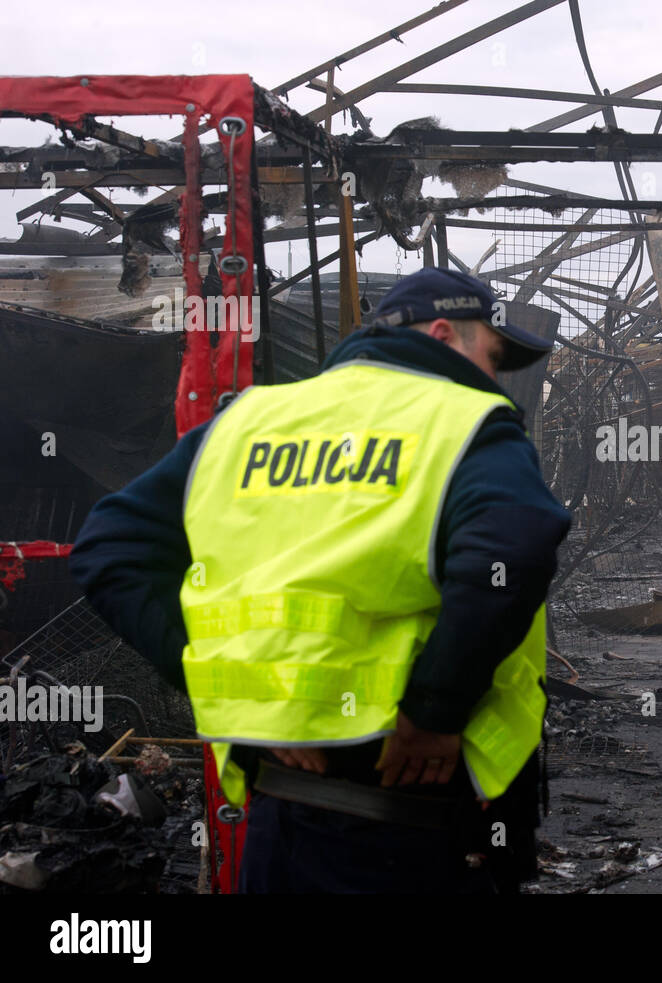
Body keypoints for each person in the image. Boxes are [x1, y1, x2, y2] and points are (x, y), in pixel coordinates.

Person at [71, 268, 571, 894]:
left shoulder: (245, 424)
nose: (494, 377)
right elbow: (516, 550)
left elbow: (107, 549)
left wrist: (237, 698)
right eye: (493, 356)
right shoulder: (467, 423)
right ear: (445, 334)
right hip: (410, 816)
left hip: (281, 813)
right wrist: (435, 710)